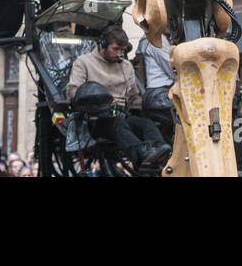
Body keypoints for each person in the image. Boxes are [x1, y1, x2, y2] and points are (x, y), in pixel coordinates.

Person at [67, 26, 170, 172]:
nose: (119, 54)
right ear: (103, 45)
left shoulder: (125, 65)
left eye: (122, 50)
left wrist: (152, 106)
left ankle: (159, 153)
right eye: (115, 49)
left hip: (121, 115)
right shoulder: (84, 62)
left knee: (146, 124)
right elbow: (73, 91)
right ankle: (143, 155)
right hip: (96, 120)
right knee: (118, 124)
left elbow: (133, 96)